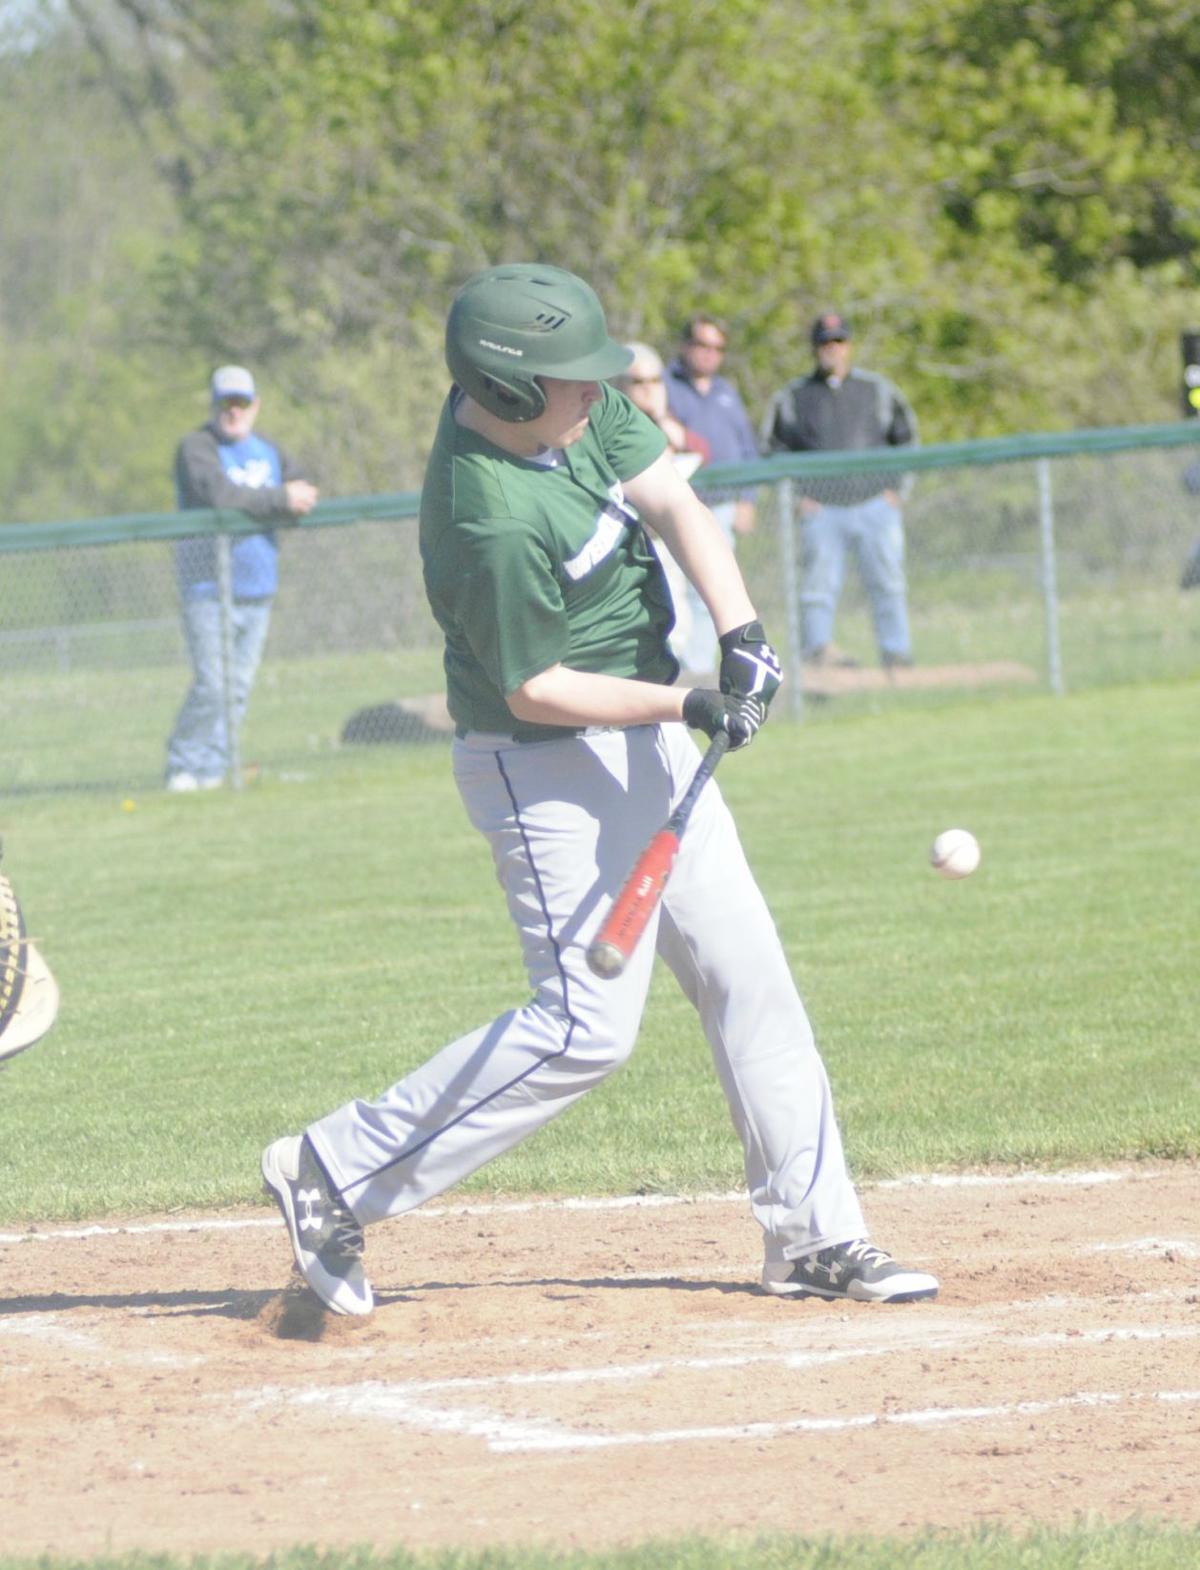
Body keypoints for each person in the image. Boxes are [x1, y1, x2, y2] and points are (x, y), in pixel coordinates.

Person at [260, 263, 938, 1319]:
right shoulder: (486, 515)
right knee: (586, 1026)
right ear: (513, 386)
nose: (598, 390)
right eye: (574, 379)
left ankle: (815, 1236)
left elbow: (670, 492)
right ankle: (331, 1169)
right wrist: (686, 706)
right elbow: (537, 690)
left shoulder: (571, 411)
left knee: (748, 976)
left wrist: (743, 631)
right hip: (542, 767)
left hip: (647, 730)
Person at [165, 365, 318, 791]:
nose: (233, 410)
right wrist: (278, 499)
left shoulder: (268, 450)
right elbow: (219, 496)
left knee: (238, 689)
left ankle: (213, 769)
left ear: (255, 406)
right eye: (225, 402)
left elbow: (303, 487)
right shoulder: (196, 447)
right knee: (212, 684)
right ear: (213, 404)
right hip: (207, 587)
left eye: (241, 402)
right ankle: (183, 764)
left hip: (258, 586)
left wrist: (291, 497)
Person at [762, 311, 919, 670]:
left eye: (838, 341)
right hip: (822, 510)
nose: (831, 348)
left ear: (849, 346)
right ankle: (819, 654)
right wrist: (795, 500)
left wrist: (898, 491)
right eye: (824, 342)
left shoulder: (876, 390)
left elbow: (907, 438)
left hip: (875, 504)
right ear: (814, 348)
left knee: (888, 583)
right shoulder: (794, 397)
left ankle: (896, 654)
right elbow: (772, 451)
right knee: (817, 589)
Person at [663, 313, 761, 674]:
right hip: (679, 507)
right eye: (702, 345)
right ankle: (677, 669)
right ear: (686, 345)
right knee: (675, 590)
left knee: (714, 589)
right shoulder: (664, 385)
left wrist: (747, 500)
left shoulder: (726, 392)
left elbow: (748, 449)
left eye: (717, 348)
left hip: (722, 506)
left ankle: (700, 669)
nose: (708, 354)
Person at [615, 342, 711, 668]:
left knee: (681, 615)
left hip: (666, 538)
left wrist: (664, 422)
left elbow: (704, 452)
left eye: (655, 381)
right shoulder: (606, 425)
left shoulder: (665, 425)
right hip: (621, 544)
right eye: (639, 382)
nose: (649, 390)